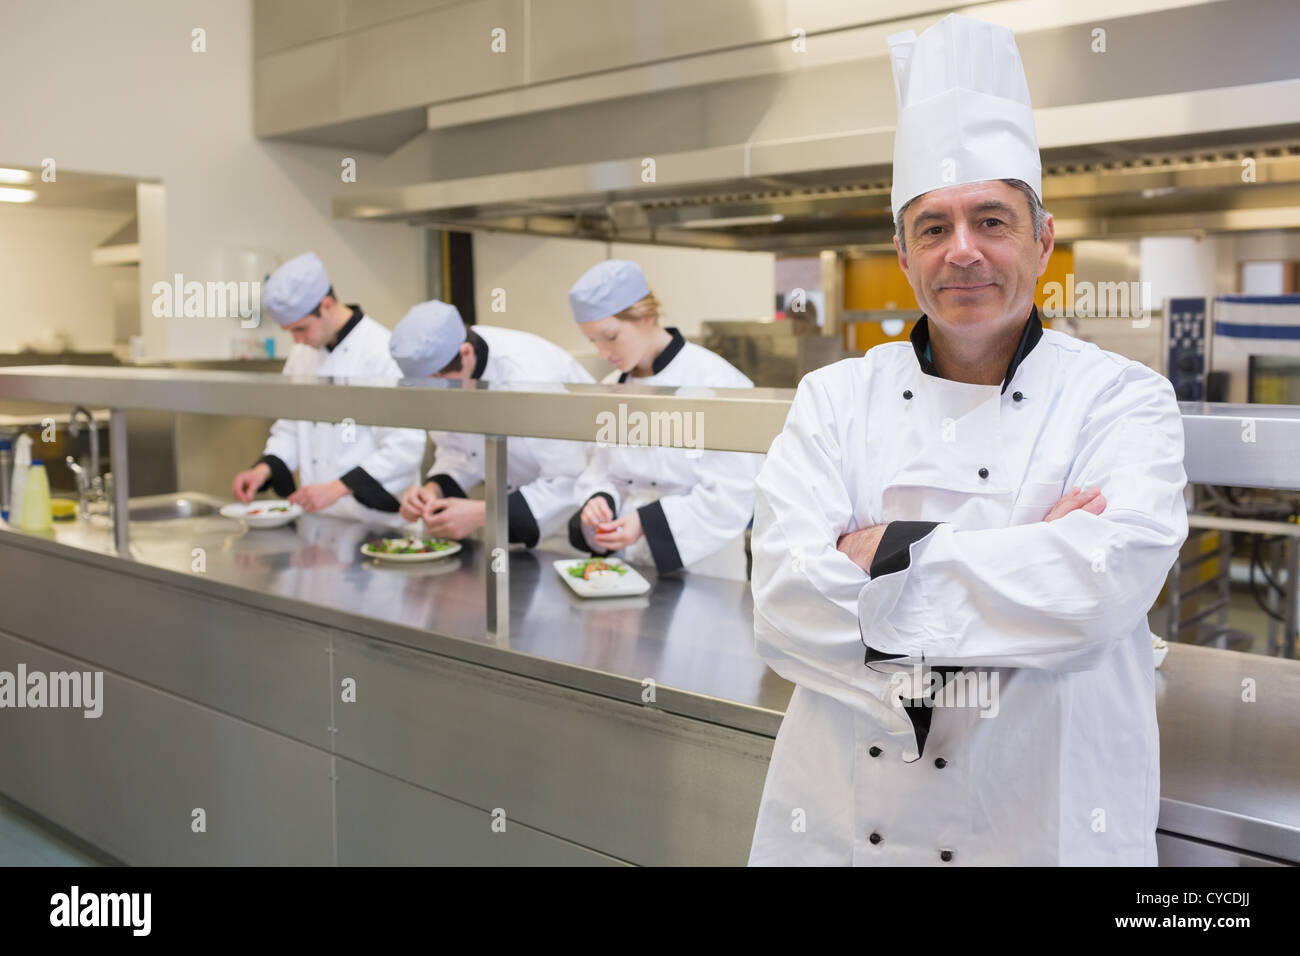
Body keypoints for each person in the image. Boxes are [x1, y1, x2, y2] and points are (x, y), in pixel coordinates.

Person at [748, 13, 1188, 865]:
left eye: (992, 220)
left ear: (1043, 239)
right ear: (904, 255)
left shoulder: (1123, 398)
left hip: (1040, 820)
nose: (964, 253)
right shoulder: (834, 397)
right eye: (933, 227)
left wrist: (880, 553)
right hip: (846, 829)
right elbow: (784, 604)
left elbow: (1098, 592)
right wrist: (1027, 556)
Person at [567, 259, 762, 581]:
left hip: (704, 569)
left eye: (610, 336)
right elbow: (599, 470)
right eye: (593, 342)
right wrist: (598, 501)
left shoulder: (719, 383)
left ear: (647, 317)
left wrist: (646, 522)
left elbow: (735, 494)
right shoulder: (612, 389)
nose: (602, 352)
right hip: (623, 564)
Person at [231, 253, 425, 525]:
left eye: (301, 328)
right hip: (321, 518)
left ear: (326, 305)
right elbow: (290, 426)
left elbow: (405, 445)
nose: (297, 340)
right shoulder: (302, 354)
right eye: (289, 332)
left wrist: (336, 489)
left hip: (377, 523)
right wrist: (264, 469)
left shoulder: (382, 352)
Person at [388, 300, 594, 547]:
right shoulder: (448, 371)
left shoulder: (531, 377)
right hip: (510, 521)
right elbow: (460, 451)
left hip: (567, 530)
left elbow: (568, 478)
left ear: (465, 352)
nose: (438, 396)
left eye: (441, 383)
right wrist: (433, 490)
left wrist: (481, 513)